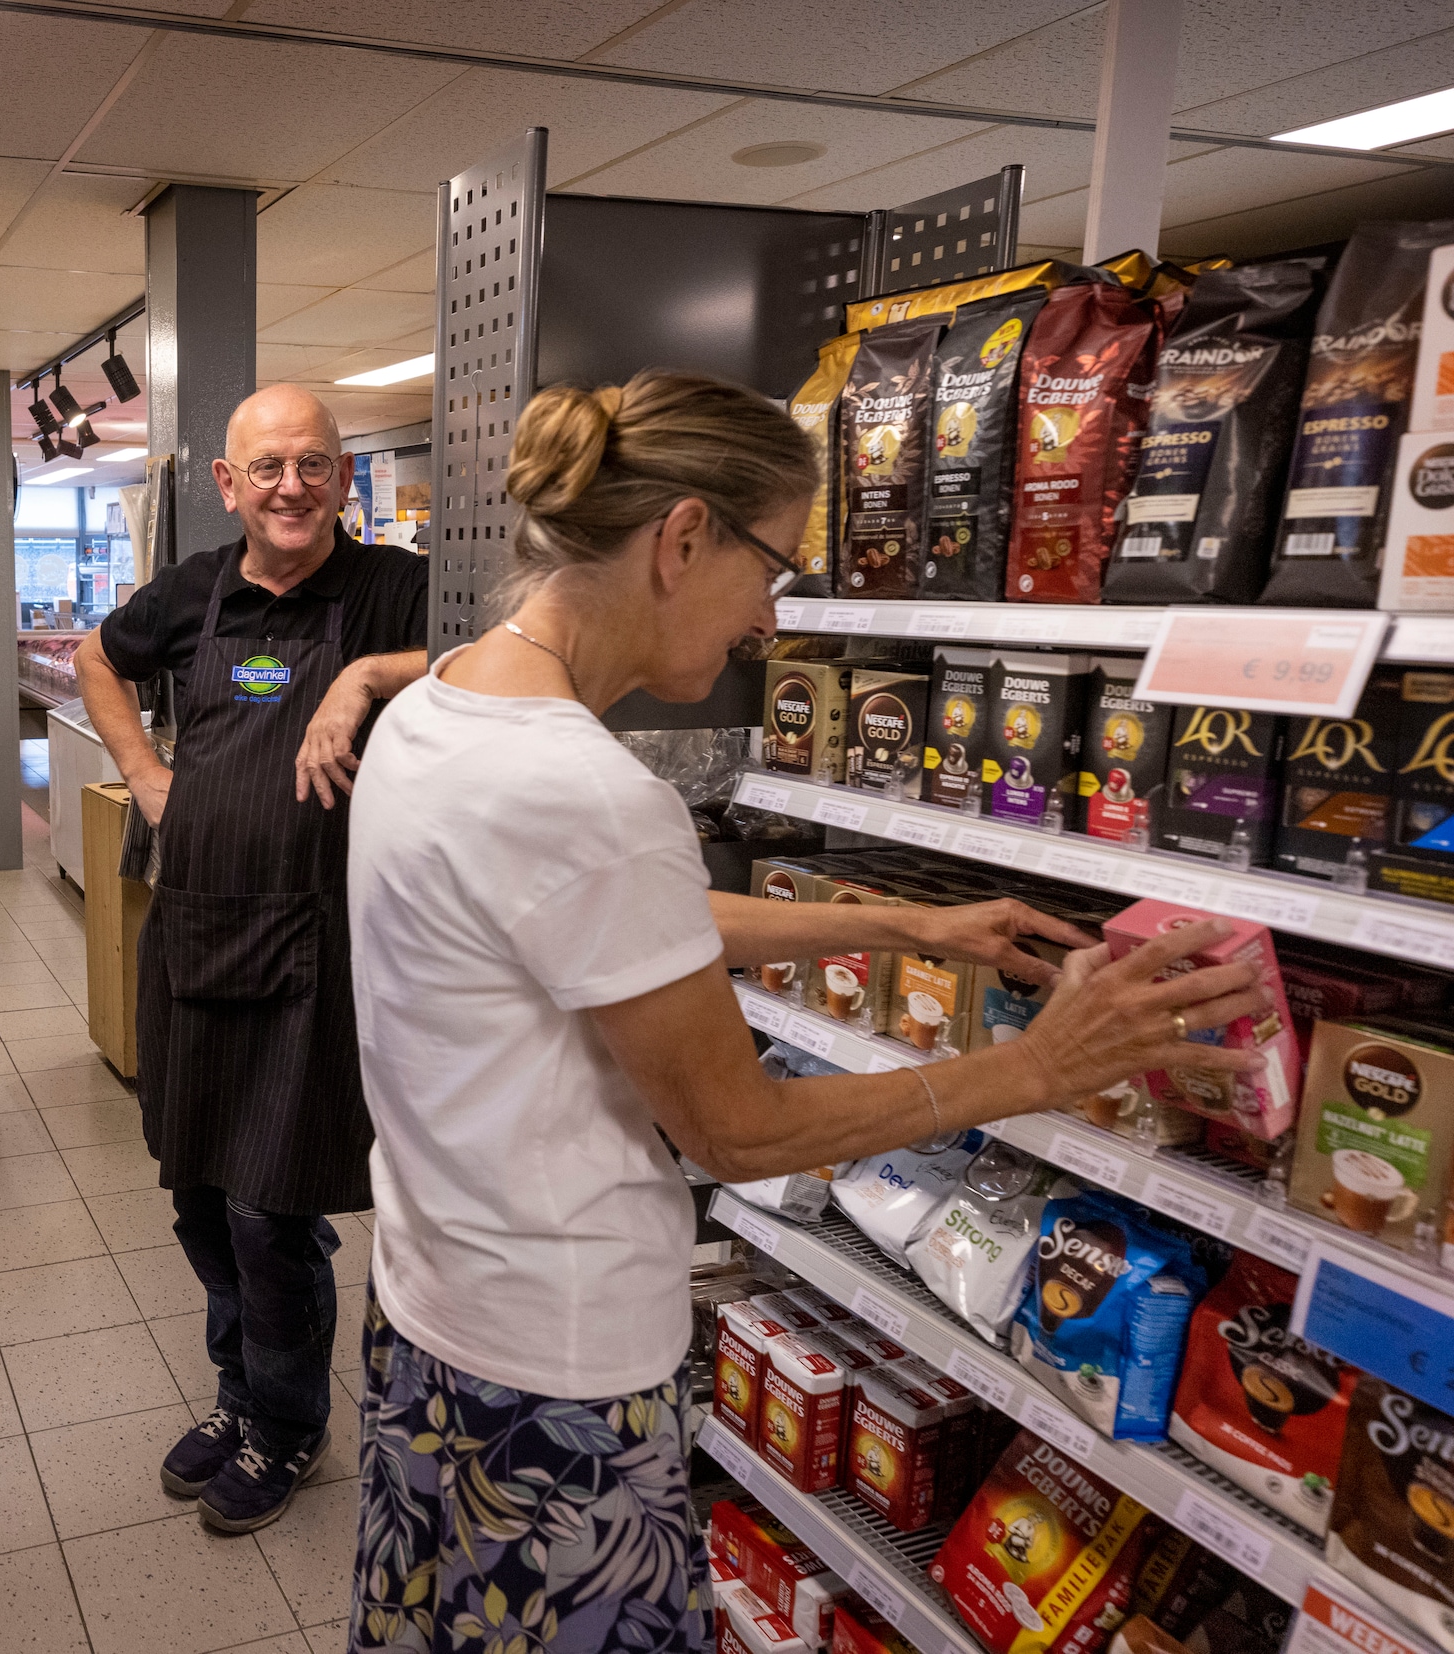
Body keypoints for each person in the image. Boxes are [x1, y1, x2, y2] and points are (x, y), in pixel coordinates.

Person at [340, 371, 1272, 1649]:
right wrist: (1037, 1068)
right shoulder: (587, 794)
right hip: (558, 1370)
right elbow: (737, 1131)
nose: (767, 618)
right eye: (772, 566)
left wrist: (901, 923)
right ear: (681, 539)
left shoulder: (437, 710)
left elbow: (602, 934)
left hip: (427, 1309)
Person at [74, 383, 427, 1533]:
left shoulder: (389, 588)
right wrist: (143, 773)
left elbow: (493, 661)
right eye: (268, 467)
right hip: (192, 937)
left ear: (341, 479)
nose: (291, 485)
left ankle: (283, 1423)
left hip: (310, 950)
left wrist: (364, 674)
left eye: (313, 465)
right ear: (227, 485)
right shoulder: (192, 592)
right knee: (197, 1194)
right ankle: (238, 1393)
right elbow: (95, 658)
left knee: (271, 1213)